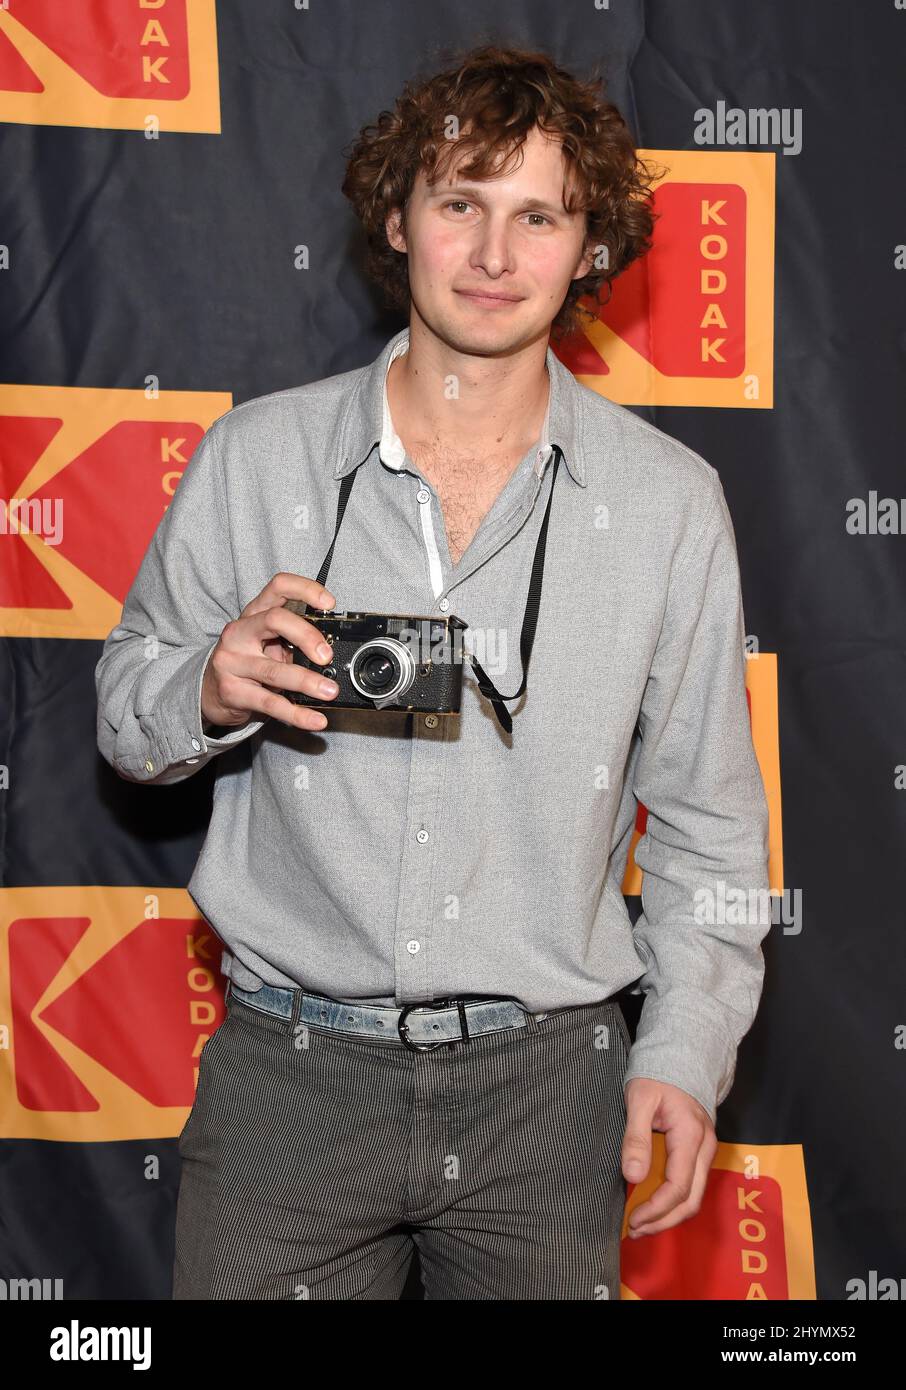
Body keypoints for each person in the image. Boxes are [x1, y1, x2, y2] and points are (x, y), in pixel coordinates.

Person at [95, 44, 771, 1300]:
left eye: (539, 216)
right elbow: (127, 716)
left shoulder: (669, 504)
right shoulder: (257, 460)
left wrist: (682, 1050)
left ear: (591, 250)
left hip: (551, 1093)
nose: (496, 254)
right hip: (288, 1081)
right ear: (397, 218)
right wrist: (203, 687)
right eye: (461, 202)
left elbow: (710, 829)